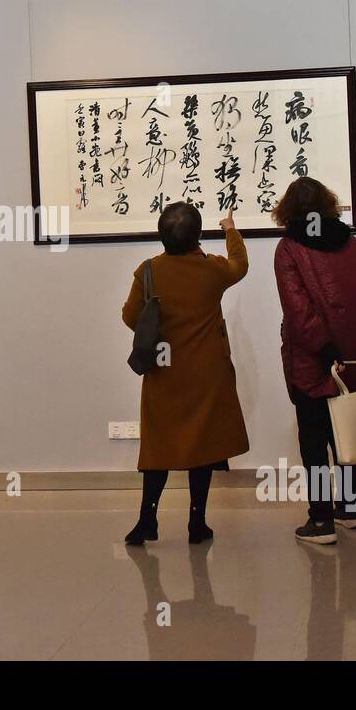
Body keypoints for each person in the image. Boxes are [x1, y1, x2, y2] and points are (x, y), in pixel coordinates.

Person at [121, 202, 250, 545]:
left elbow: (130, 317)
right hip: (208, 371)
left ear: (162, 236)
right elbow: (240, 266)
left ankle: (147, 519)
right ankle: (197, 523)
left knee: (157, 445)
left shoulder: (147, 271)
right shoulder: (212, 270)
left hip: (164, 372)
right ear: (198, 236)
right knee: (202, 447)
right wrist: (231, 230)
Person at [271, 177, 356, 545]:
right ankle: (349, 509)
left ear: (288, 209)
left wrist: (326, 354)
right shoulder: (350, 244)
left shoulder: (288, 249)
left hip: (313, 362)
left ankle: (320, 520)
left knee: (315, 442)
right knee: (345, 431)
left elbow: (298, 310)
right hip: (351, 360)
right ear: (328, 204)